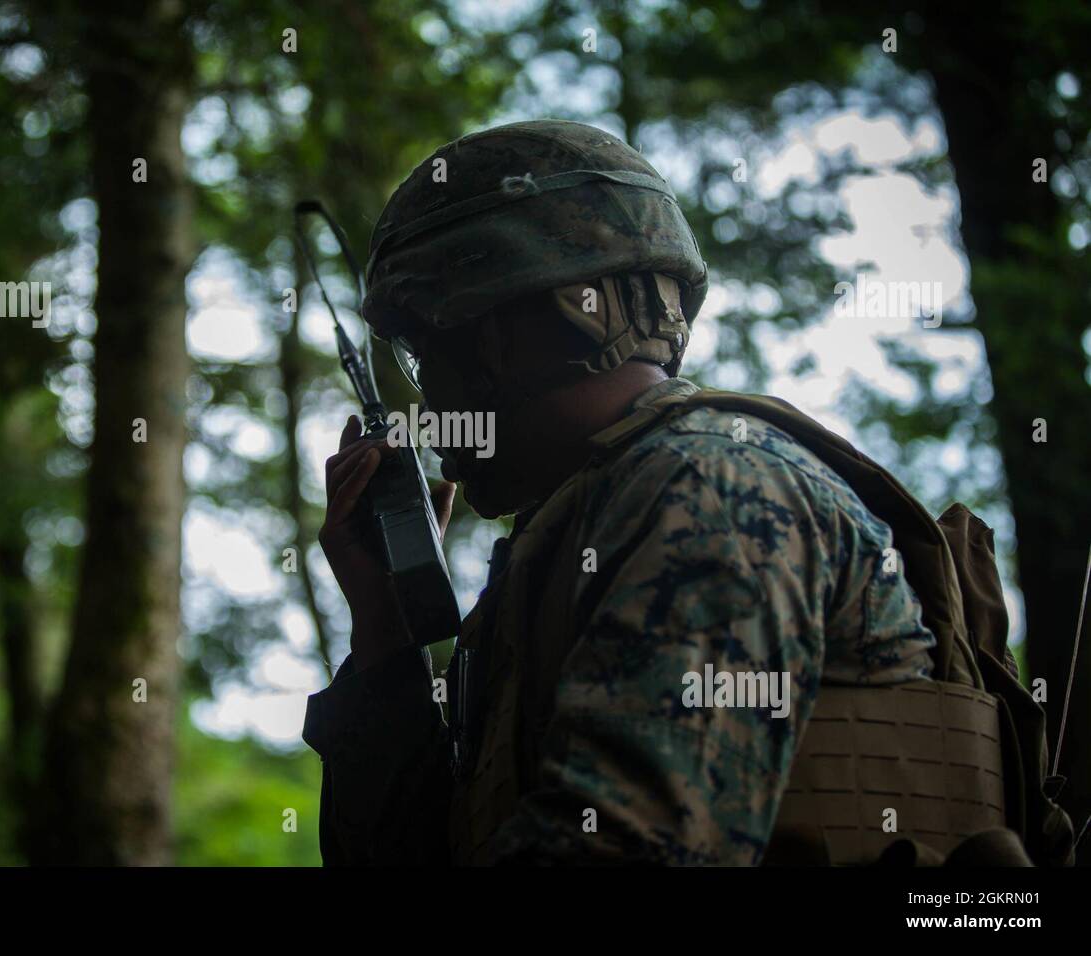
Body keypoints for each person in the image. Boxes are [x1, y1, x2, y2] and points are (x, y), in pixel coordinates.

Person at [301, 119, 1052, 865]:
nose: (426, 399)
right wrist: (385, 628)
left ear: (527, 324)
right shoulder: (569, 543)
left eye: (428, 349)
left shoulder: (707, 487)